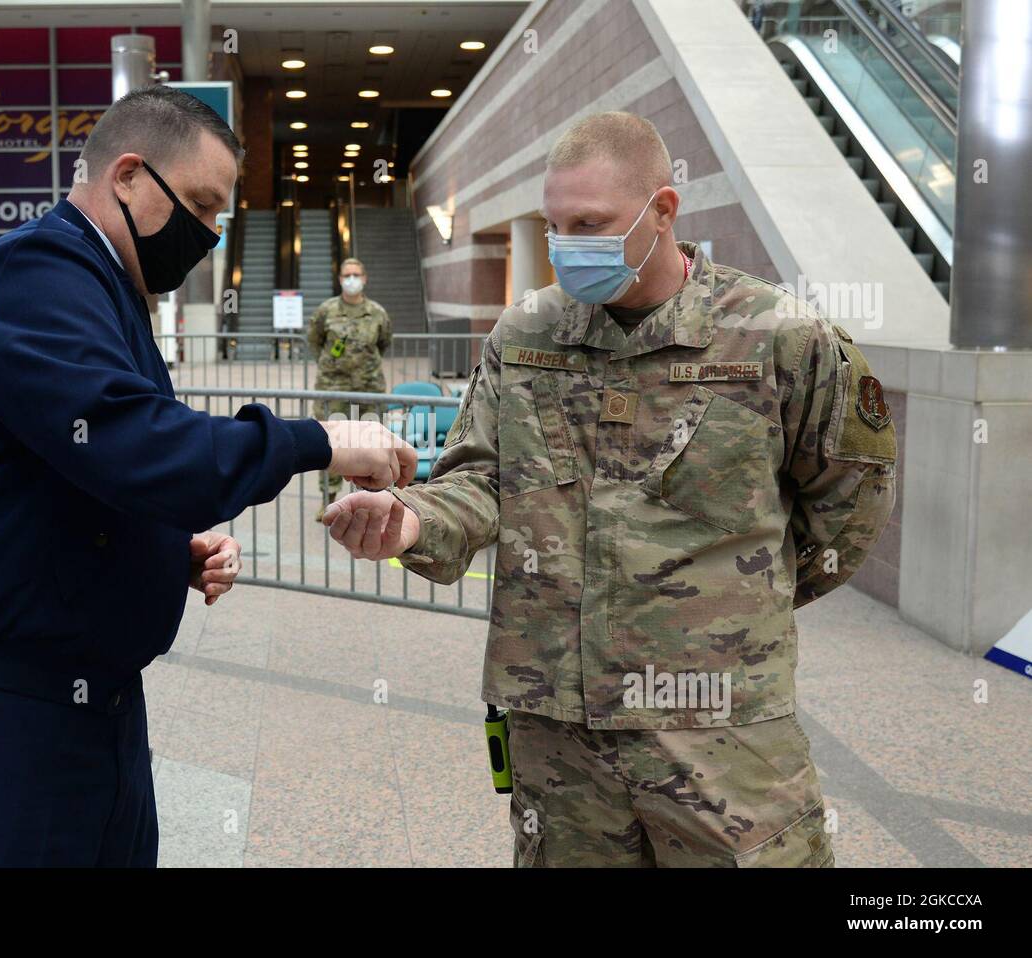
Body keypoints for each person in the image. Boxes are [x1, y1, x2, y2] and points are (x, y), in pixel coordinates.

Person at [322, 111, 897, 867]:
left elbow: (849, 504)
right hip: (558, 732)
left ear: (664, 210)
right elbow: (481, 478)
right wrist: (411, 522)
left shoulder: (777, 338)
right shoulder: (525, 336)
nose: (568, 248)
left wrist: (743, 606)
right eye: (556, 226)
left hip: (718, 733)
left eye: (591, 224)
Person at [0, 86, 415, 867]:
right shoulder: (34, 274)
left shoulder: (104, 287)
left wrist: (159, 549)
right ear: (127, 175)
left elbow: (91, 466)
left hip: (84, 709)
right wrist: (319, 439)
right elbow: (138, 444)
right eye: (198, 203)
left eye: (220, 214)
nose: (210, 232)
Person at [306, 257, 392, 520]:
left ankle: (367, 501)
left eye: (356, 274)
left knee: (370, 445)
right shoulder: (326, 310)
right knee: (332, 444)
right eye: (347, 275)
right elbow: (314, 341)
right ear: (340, 279)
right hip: (333, 389)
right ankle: (329, 499)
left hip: (369, 388)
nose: (351, 279)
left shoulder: (377, 312)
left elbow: (383, 343)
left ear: (364, 278)